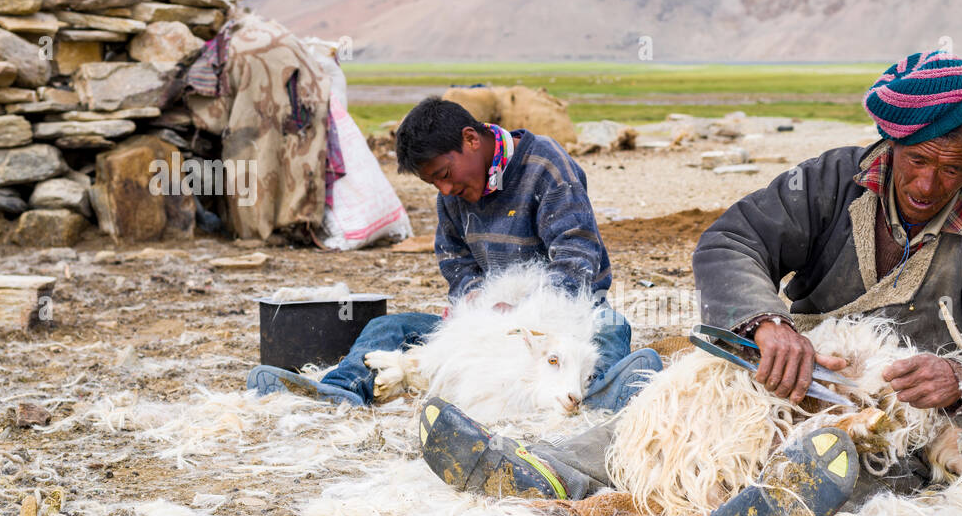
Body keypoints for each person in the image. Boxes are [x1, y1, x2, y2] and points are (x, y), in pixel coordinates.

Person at [417, 52, 962, 516]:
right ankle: (542, 468)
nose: (931, 182)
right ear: (892, 142)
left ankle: (768, 503)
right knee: (681, 401)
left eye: (953, 168)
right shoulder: (830, 182)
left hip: (899, 413)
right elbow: (731, 241)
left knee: (854, 453)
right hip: (800, 370)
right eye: (918, 161)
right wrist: (766, 324)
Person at [248, 97, 660, 409]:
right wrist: (475, 299)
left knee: (610, 325)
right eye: (434, 184)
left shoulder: (546, 166)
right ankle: (340, 392)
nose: (444, 191)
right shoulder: (454, 193)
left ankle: (597, 398)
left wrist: (523, 312)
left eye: (445, 175)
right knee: (388, 329)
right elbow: (456, 262)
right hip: (490, 326)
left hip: (560, 320)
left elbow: (577, 258)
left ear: (470, 139)